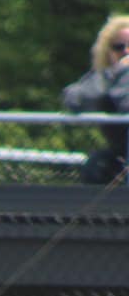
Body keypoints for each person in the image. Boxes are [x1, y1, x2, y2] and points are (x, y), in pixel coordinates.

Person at [60, 13, 129, 185]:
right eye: (119, 47)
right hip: (119, 156)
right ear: (107, 51)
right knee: (96, 164)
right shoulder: (105, 77)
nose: (126, 52)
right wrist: (116, 73)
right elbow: (75, 99)